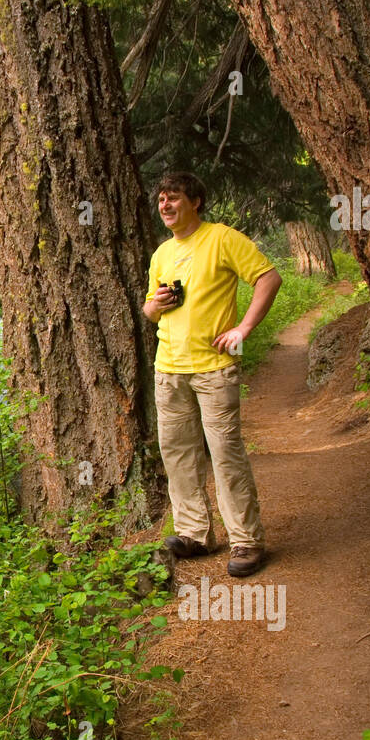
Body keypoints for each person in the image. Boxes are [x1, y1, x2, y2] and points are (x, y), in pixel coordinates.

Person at [143, 172, 282, 577]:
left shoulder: (222, 238)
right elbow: (149, 310)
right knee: (178, 454)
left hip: (214, 368)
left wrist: (244, 329)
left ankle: (246, 541)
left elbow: (268, 278)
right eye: (161, 201)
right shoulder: (161, 254)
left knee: (225, 454)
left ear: (196, 201)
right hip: (168, 368)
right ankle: (195, 534)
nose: (165, 206)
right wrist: (158, 304)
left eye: (173, 199)